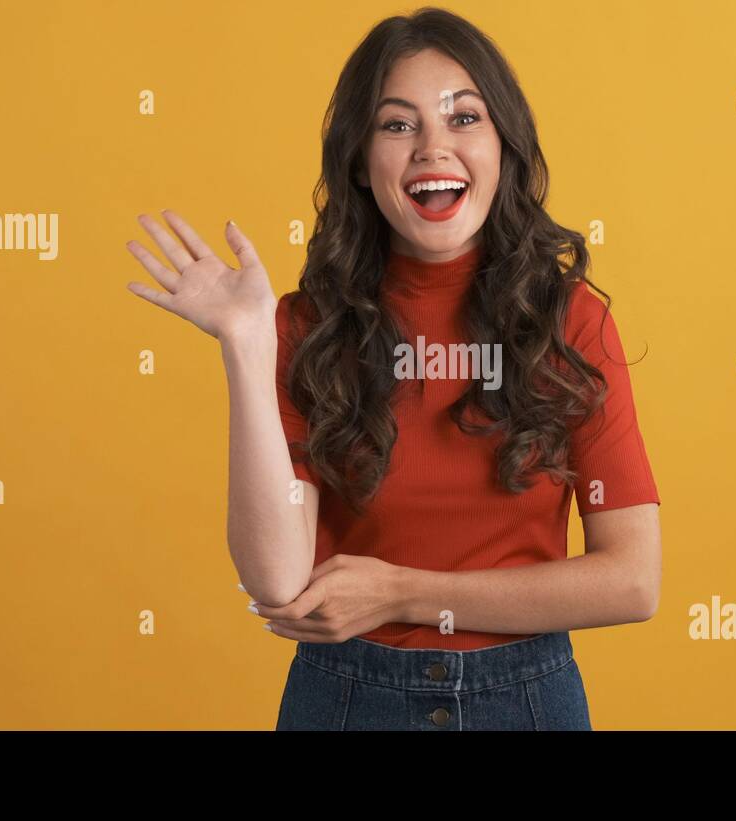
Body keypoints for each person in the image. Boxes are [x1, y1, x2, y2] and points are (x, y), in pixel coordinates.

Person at [124, 7, 661, 731]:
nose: (432, 149)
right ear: (358, 160)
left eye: (463, 118)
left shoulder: (569, 321)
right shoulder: (307, 328)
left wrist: (406, 594)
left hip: (525, 701)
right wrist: (247, 346)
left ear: (504, 144)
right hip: (344, 699)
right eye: (398, 125)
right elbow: (277, 579)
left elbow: (631, 581)